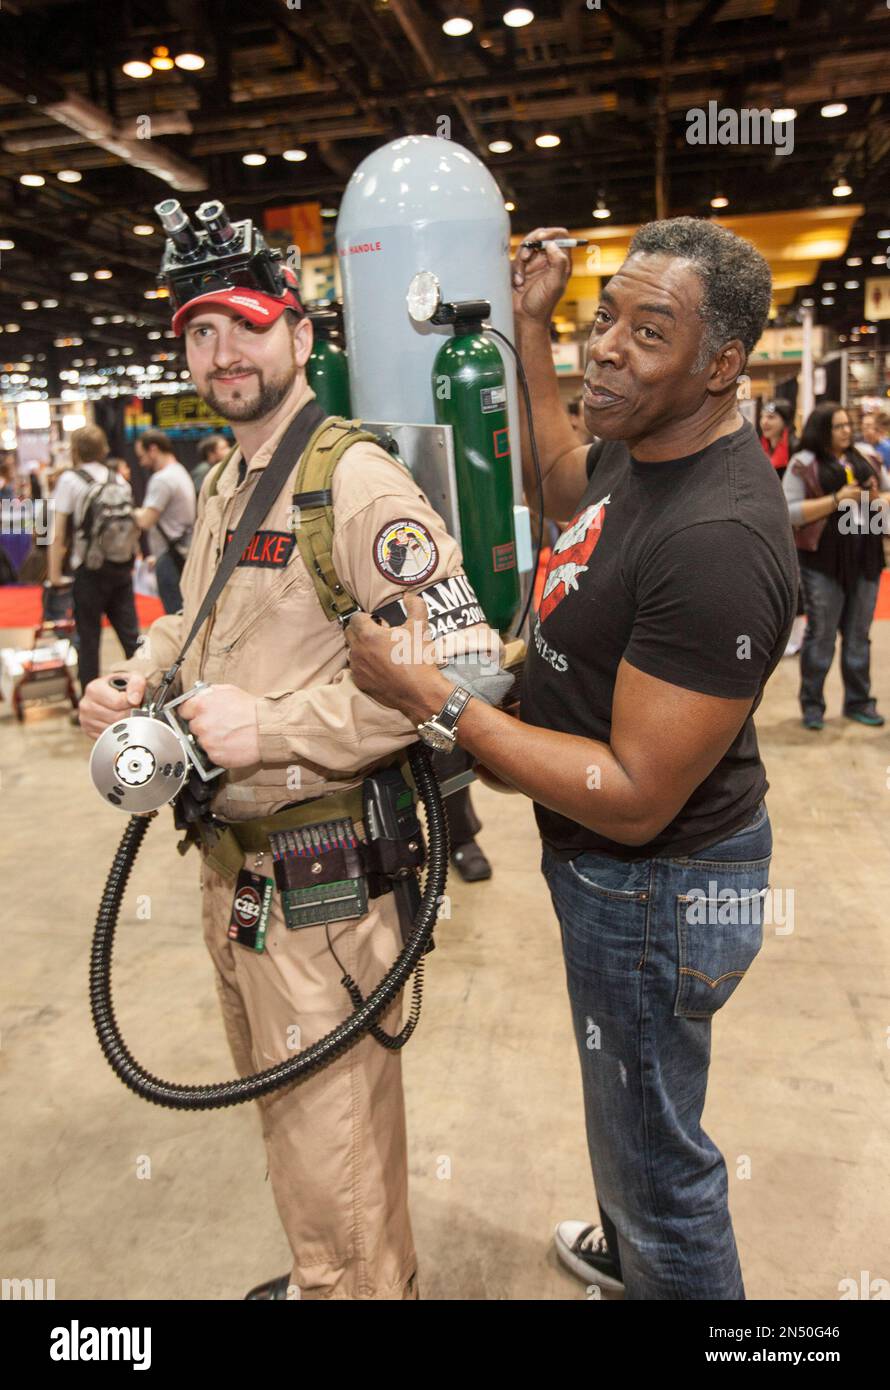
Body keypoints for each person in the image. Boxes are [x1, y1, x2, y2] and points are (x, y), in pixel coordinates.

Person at [346, 216, 799, 1301]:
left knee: (656, 1159)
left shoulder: (714, 540)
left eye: (646, 332)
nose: (608, 349)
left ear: (720, 365)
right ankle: (630, 1243)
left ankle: (663, 1262)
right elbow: (558, 480)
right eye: (604, 321)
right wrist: (533, 324)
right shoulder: (641, 451)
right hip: (610, 873)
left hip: (656, 884)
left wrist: (439, 700)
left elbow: (639, 797)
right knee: (628, 1105)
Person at [77, 236, 499, 1301]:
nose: (221, 352)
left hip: (326, 881)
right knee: (297, 1127)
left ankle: (358, 1288)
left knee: (336, 1136)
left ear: (299, 334)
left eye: (244, 325)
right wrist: (138, 675)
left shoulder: (352, 481)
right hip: (235, 870)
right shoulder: (228, 477)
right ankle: (330, 1276)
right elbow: (196, 618)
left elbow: (462, 666)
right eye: (199, 333)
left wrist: (270, 727)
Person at [783, 402, 886, 730]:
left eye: (847, 425)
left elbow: (886, 495)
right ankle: (813, 705)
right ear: (821, 429)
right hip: (822, 562)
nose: (846, 430)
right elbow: (789, 512)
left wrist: (875, 499)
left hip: (866, 558)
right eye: (838, 426)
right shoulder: (803, 463)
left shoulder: (867, 458)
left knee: (859, 636)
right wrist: (835, 500)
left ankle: (859, 701)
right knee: (822, 635)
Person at [47, 425, 140, 696]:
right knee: (131, 636)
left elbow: (58, 533)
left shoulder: (70, 481)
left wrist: (54, 576)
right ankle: (145, 693)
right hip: (121, 566)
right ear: (104, 449)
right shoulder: (118, 479)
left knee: (88, 638)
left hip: (89, 570)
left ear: (75, 450)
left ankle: (87, 701)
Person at [133, 429, 196, 613]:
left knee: (175, 616)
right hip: (182, 551)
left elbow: (146, 521)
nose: (141, 462)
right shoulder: (179, 471)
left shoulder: (162, 479)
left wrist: (130, 513)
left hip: (170, 556)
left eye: (142, 455)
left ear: (153, 449)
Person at [758, 398, 797, 479]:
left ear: (785, 421)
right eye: (762, 416)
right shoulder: (759, 446)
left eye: (771, 417)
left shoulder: (795, 448)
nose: (764, 421)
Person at [191, 432, 231, 496]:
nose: (229, 450)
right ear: (211, 453)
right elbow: (199, 495)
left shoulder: (219, 468)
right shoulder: (203, 470)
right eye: (224, 448)